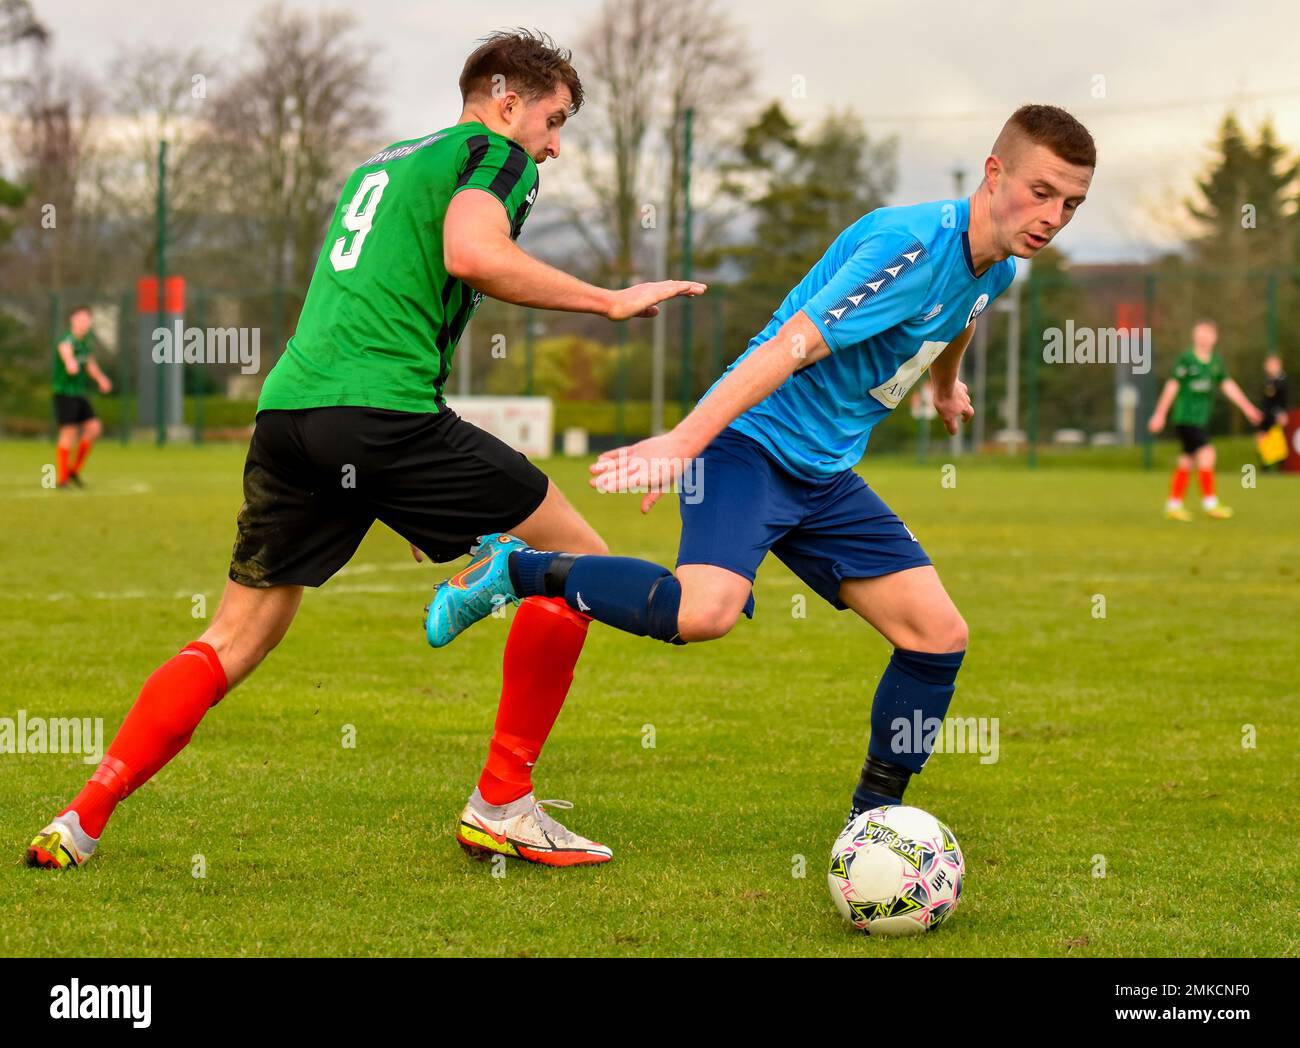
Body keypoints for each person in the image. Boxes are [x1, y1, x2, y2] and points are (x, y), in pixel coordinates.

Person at [26, 29, 704, 872]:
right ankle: (501, 801)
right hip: (378, 415)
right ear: (505, 100)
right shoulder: (494, 157)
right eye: (553, 118)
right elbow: (473, 254)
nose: (554, 145)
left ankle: (81, 818)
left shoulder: (382, 164)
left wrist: (393, 485)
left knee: (235, 638)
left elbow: (378, 301)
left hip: (289, 416)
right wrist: (608, 302)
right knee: (576, 558)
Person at [427, 104, 1095, 832]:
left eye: (1071, 204)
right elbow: (790, 347)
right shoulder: (906, 246)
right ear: (995, 172)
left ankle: (874, 826)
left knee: (938, 636)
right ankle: (517, 571)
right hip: (750, 445)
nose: (1053, 215)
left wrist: (942, 384)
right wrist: (684, 441)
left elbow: (961, 316)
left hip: (825, 474)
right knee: (701, 614)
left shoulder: (996, 265)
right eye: (1042, 191)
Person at [1147, 320, 1263, 520]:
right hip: (1185, 417)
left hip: (1200, 420)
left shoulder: (1216, 362)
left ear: (1214, 337)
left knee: (1186, 461)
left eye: (1207, 334)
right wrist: (1160, 413)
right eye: (1199, 334)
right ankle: (1210, 502)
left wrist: (1247, 407)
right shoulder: (1187, 359)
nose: (1203, 338)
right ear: (1194, 336)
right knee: (1208, 453)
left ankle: (1173, 504)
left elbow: (1228, 385)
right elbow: (1172, 386)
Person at [52, 305, 112, 489]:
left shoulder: (86, 342)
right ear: (73, 319)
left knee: (94, 428)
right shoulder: (67, 339)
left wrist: (101, 378)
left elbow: (89, 363)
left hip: (79, 393)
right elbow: (65, 350)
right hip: (64, 393)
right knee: (68, 433)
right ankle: (62, 479)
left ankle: (73, 470)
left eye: (87, 319)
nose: (84, 322)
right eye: (80, 318)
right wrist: (70, 362)